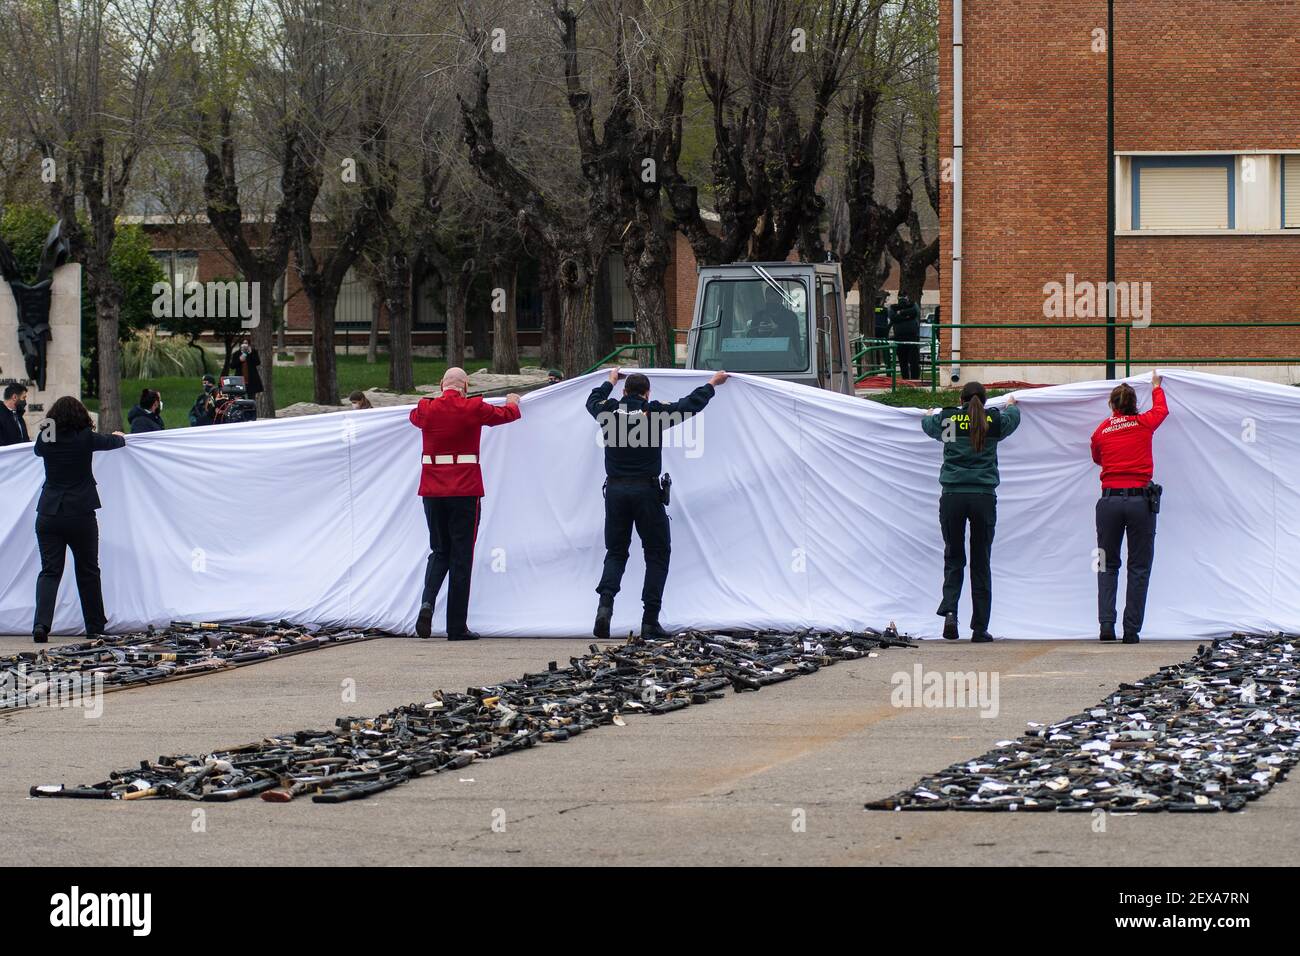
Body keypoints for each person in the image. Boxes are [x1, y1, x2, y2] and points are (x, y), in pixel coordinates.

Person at [586, 367, 728, 640]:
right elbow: (690, 405)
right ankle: (650, 619)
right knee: (657, 553)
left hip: (615, 491)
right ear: (647, 393)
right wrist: (712, 383)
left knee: (616, 552)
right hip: (646, 492)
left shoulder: (608, 412)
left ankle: (605, 607)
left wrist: (610, 381)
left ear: (624, 392)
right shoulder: (655, 413)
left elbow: (591, 400)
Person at [410, 367, 522, 640]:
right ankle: (456, 627)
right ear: (466, 386)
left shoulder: (426, 407)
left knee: (439, 550)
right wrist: (513, 401)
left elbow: (414, 417)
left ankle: (427, 603)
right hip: (464, 491)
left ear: (441, 384)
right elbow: (507, 415)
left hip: (433, 491)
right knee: (461, 557)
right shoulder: (473, 407)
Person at [921, 382, 1021, 642]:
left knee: (954, 558)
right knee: (980, 562)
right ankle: (979, 628)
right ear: (986, 401)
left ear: (960, 398)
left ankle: (951, 613)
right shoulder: (993, 421)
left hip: (953, 496)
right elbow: (1013, 419)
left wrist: (928, 414)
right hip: (983, 498)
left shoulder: (950, 420)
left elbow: (928, 426)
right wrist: (1011, 405)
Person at [31, 396, 128, 643]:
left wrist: (48, 425)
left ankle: (41, 624)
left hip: (49, 513)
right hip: (81, 514)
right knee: (88, 570)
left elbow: (38, 448)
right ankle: (94, 626)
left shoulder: (49, 439)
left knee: (50, 571)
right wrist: (119, 434)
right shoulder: (85, 438)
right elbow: (114, 442)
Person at [1090, 370, 1169, 644]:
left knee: (1105, 563)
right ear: (1135, 404)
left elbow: (1097, 457)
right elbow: (1162, 410)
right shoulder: (1144, 423)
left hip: (1109, 501)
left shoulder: (1101, 430)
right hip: (1140, 502)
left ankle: (1106, 625)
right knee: (1139, 566)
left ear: (1112, 406)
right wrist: (1156, 387)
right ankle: (1132, 630)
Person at [889, 292, 922, 380]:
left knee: (913, 361)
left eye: (904, 297)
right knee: (903, 361)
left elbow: (915, 312)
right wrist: (908, 316)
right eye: (901, 297)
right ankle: (906, 380)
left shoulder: (912, 305)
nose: (903, 299)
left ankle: (915, 380)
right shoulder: (893, 307)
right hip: (900, 338)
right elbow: (893, 317)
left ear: (907, 298)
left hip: (912, 338)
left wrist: (901, 312)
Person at [225, 335, 263, 399]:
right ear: (240, 345)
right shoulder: (236, 354)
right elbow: (232, 366)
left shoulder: (253, 352)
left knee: (251, 398)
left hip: (251, 380)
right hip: (240, 380)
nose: (245, 345)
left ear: (249, 345)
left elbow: (257, 362)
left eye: (246, 343)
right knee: (240, 398)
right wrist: (239, 360)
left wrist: (250, 353)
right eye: (243, 343)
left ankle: (251, 409)